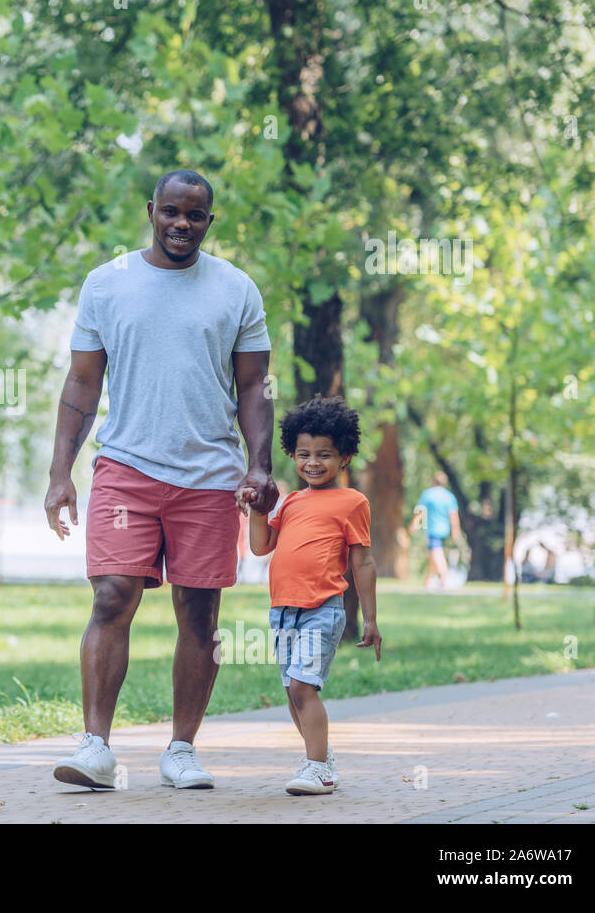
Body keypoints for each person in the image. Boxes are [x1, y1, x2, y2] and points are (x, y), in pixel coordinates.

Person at [44, 169, 277, 791]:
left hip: (209, 477)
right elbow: (82, 383)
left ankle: (181, 749)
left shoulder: (235, 288)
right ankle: (95, 747)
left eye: (195, 215)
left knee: (199, 614)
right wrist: (59, 472)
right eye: (170, 212)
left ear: (209, 220)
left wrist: (260, 463)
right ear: (152, 210)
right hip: (127, 468)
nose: (181, 224)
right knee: (112, 595)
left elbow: (254, 385)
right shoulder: (107, 284)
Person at [239, 395, 382, 795]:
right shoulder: (293, 501)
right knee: (292, 691)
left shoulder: (353, 502)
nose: (313, 463)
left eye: (325, 455)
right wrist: (257, 509)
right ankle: (320, 757)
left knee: (304, 688)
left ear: (345, 457)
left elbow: (364, 564)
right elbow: (260, 546)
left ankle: (317, 767)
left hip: (323, 608)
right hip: (282, 611)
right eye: (304, 454)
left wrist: (370, 618)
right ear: (291, 454)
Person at [407, 472, 464, 591]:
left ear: (433, 481)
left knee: (437, 553)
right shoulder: (449, 497)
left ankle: (444, 578)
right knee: (433, 553)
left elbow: (420, 511)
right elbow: (454, 516)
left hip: (433, 529)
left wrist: (414, 525)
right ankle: (428, 580)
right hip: (445, 529)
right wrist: (456, 531)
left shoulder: (428, 494)